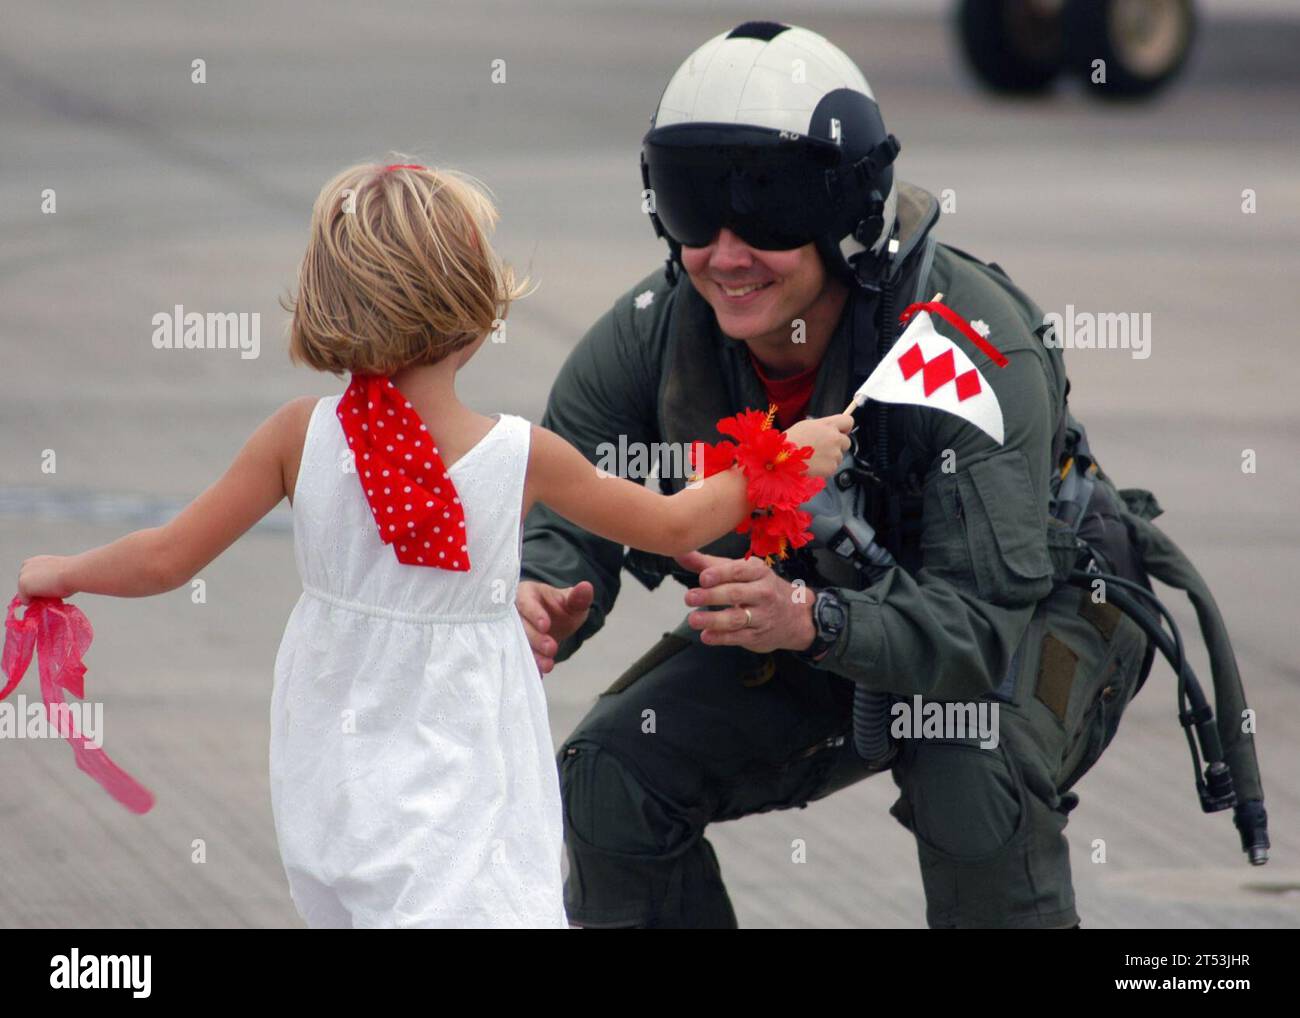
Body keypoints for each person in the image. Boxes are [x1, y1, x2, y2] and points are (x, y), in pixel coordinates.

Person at [15, 160, 852, 928]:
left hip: (333, 748)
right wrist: (781, 460)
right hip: (456, 741)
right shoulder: (520, 454)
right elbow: (674, 525)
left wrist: (64, 570)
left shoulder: (297, 436)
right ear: (475, 307)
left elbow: (167, 558)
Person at [517, 21, 1142, 929]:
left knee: (968, 766)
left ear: (848, 212)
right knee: (612, 773)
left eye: (767, 206)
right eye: (694, 204)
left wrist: (814, 619)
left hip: (1022, 611)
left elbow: (978, 625)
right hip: (810, 614)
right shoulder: (657, 335)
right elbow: (570, 508)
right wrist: (543, 595)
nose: (725, 254)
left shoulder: (961, 348)